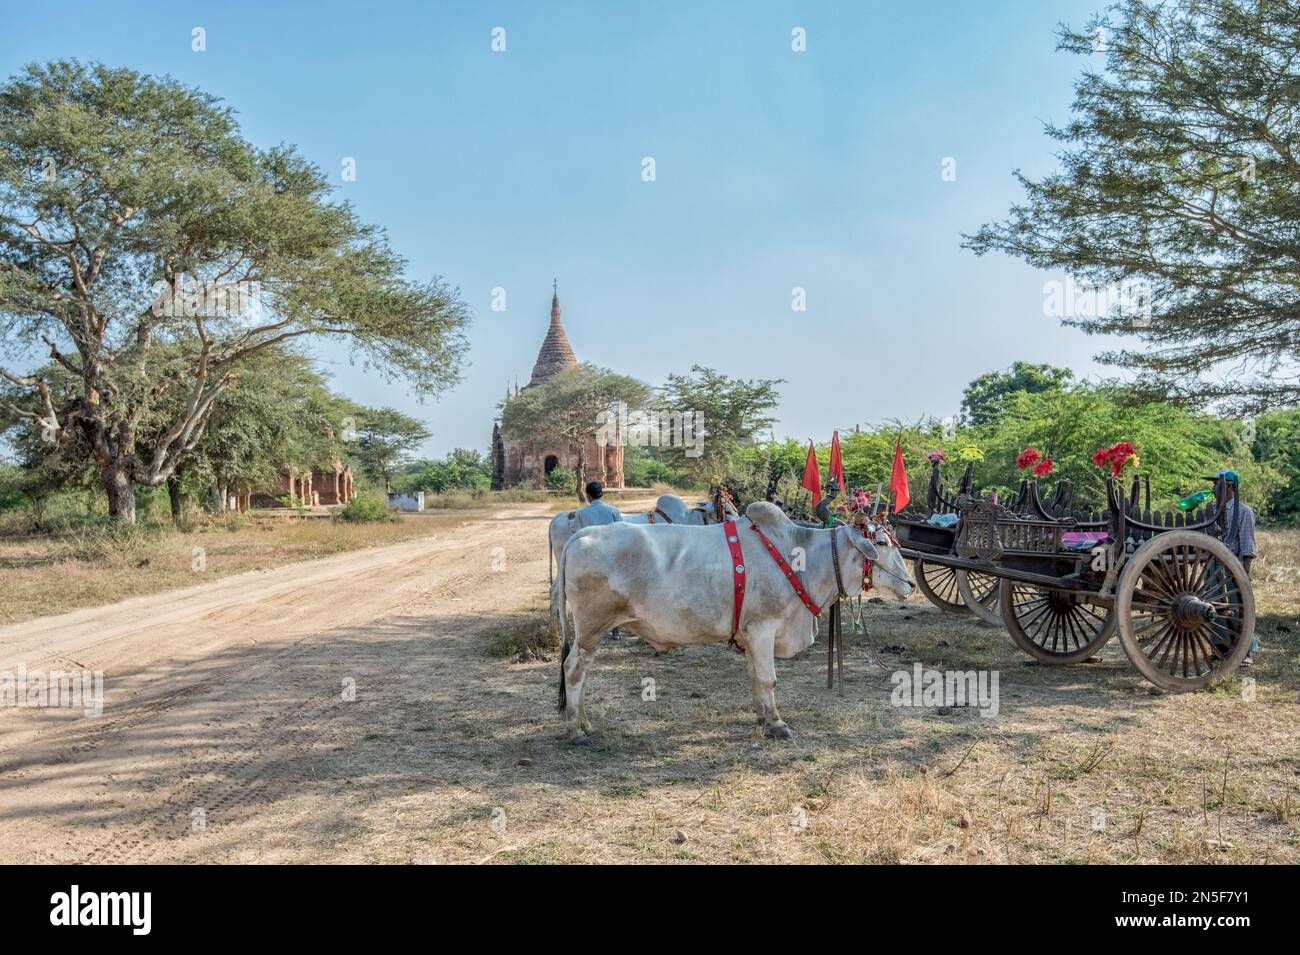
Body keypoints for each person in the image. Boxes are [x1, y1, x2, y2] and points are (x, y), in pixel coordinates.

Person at [1207, 468, 1257, 666]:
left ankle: (1244, 651)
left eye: (1216, 484)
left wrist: (1245, 573)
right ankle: (1220, 648)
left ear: (1229, 487)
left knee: (1237, 607)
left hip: (1233, 565)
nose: (1212, 489)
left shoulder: (1244, 512)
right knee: (1212, 606)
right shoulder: (1212, 511)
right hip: (1213, 566)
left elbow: (1247, 545)